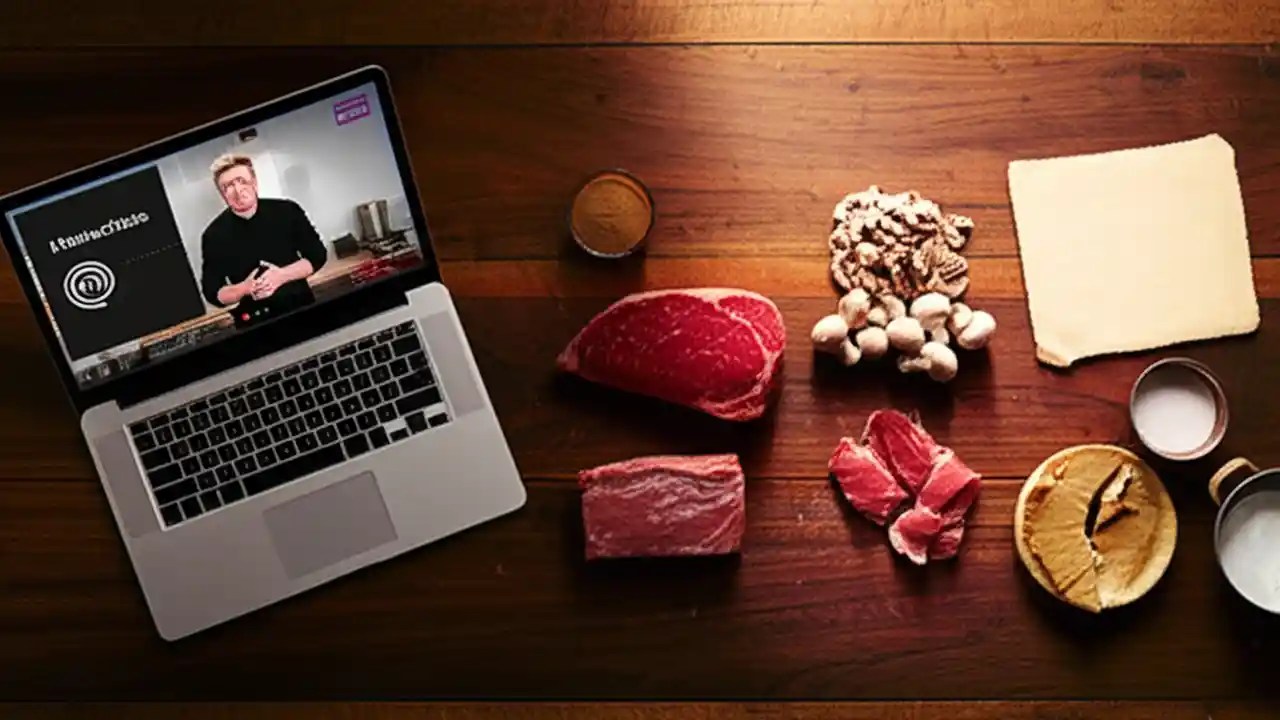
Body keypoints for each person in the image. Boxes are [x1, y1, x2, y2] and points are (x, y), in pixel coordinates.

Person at [199, 154, 327, 323]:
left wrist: (281, 276)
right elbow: (213, 293)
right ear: (222, 194)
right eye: (228, 186)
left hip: (302, 308)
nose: (238, 191)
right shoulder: (213, 235)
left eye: (242, 181)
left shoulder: (288, 211)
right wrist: (244, 288)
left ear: (254, 182)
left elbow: (317, 256)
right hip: (254, 321)